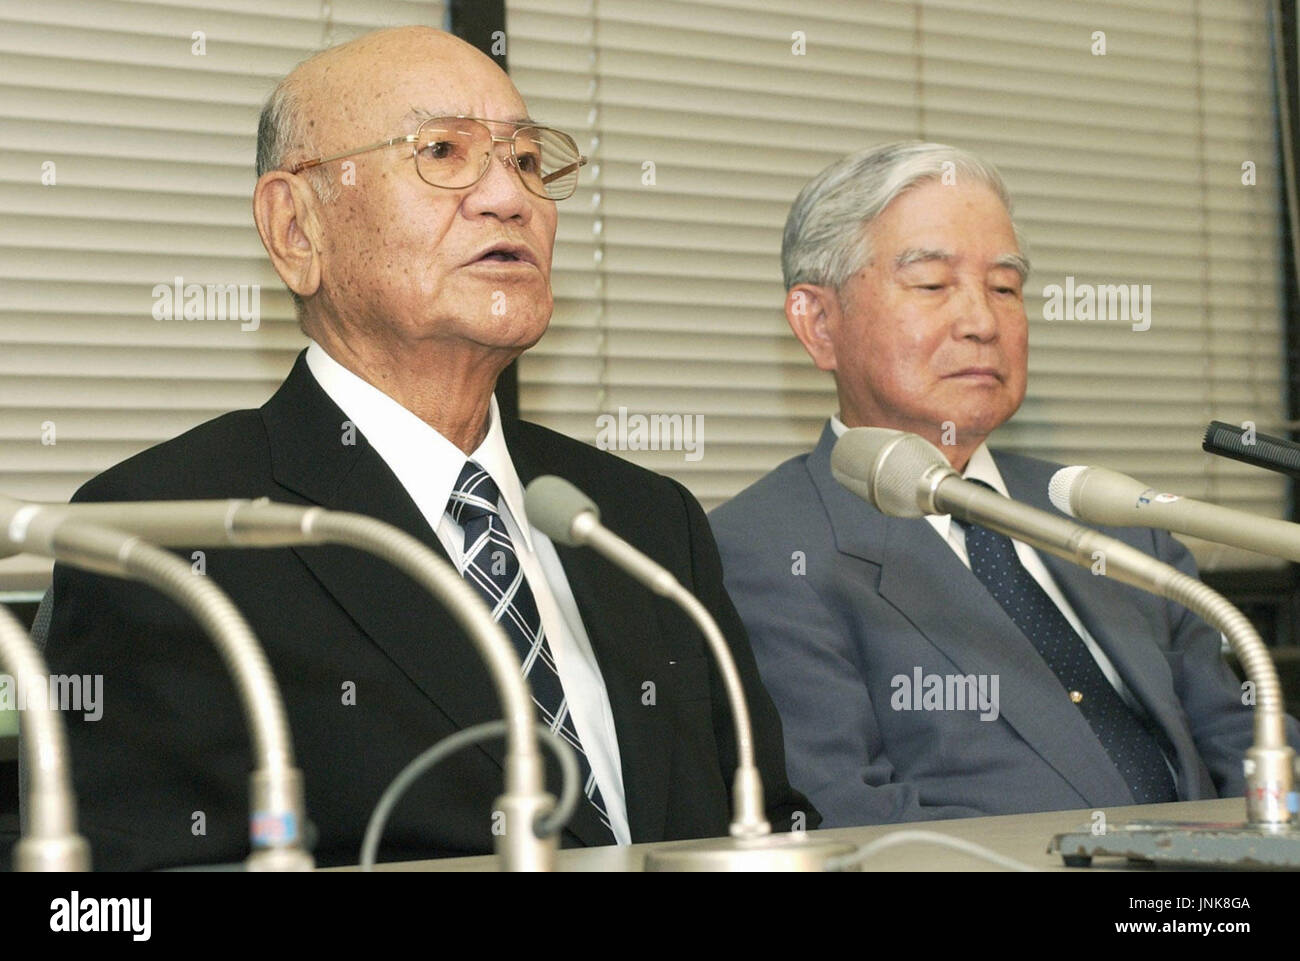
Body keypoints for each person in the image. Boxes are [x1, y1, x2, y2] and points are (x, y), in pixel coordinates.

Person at [41, 26, 811, 870]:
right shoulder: (167, 532)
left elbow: (767, 822)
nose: (508, 197)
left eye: (525, 160)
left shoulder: (641, 519)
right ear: (296, 229)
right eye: (444, 151)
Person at [709, 141, 1299, 828]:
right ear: (818, 324)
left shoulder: (1110, 513)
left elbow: (1242, 743)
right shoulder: (765, 550)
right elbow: (851, 822)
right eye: (932, 285)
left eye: (1005, 287)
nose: (983, 322)